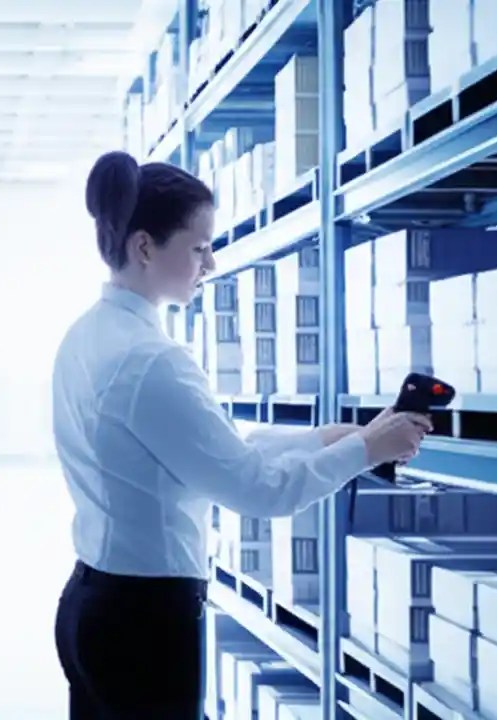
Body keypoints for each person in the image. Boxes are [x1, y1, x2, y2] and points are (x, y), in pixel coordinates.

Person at [50, 151, 432, 719]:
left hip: (92, 604)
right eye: (199, 246)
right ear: (145, 247)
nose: (210, 261)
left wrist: (326, 439)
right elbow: (258, 491)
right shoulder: (153, 362)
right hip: (145, 623)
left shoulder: (86, 336)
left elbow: (209, 451)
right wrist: (366, 451)